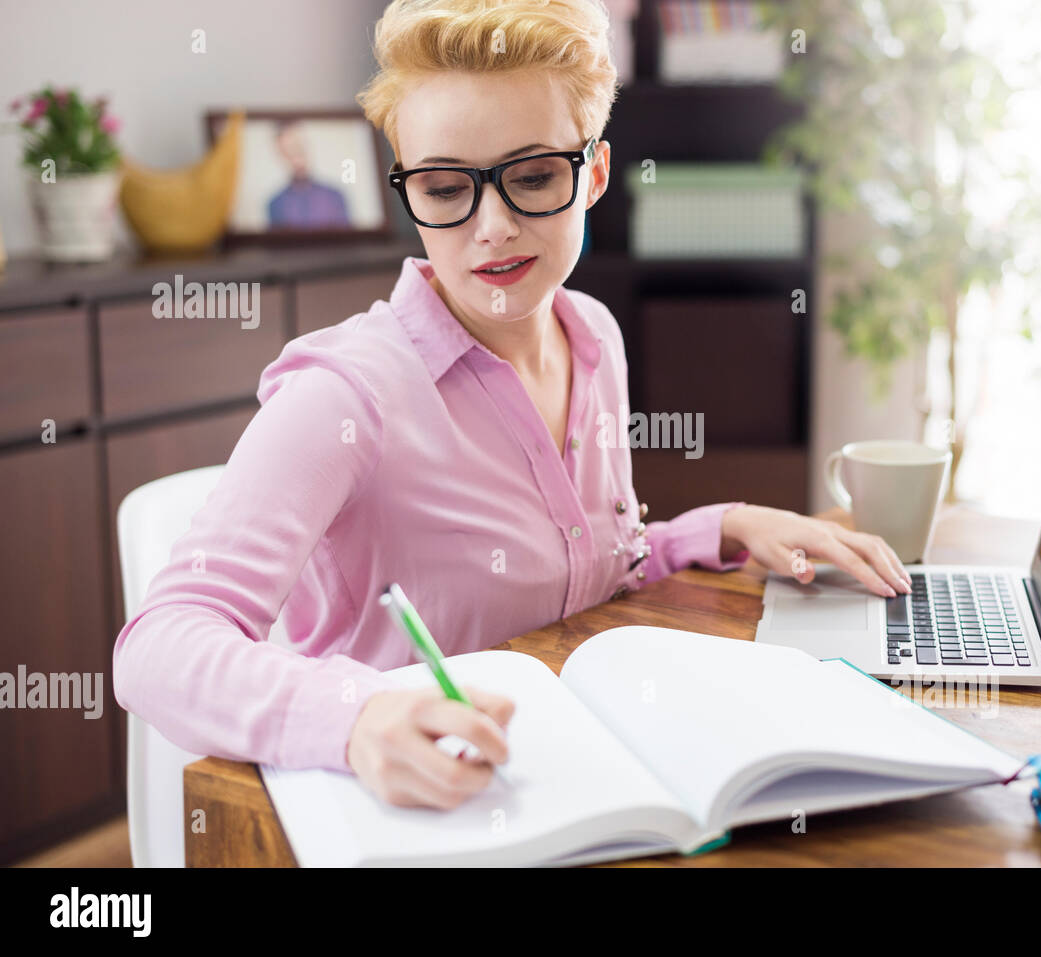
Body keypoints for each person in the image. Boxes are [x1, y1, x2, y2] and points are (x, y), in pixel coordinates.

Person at [112, 0, 912, 812]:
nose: (490, 227)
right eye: (443, 186)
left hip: (567, 790)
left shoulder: (591, 337)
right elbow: (160, 648)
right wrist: (357, 717)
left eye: (531, 177)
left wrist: (726, 527)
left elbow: (589, 573)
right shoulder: (342, 394)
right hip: (410, 816)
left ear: (592, 174)